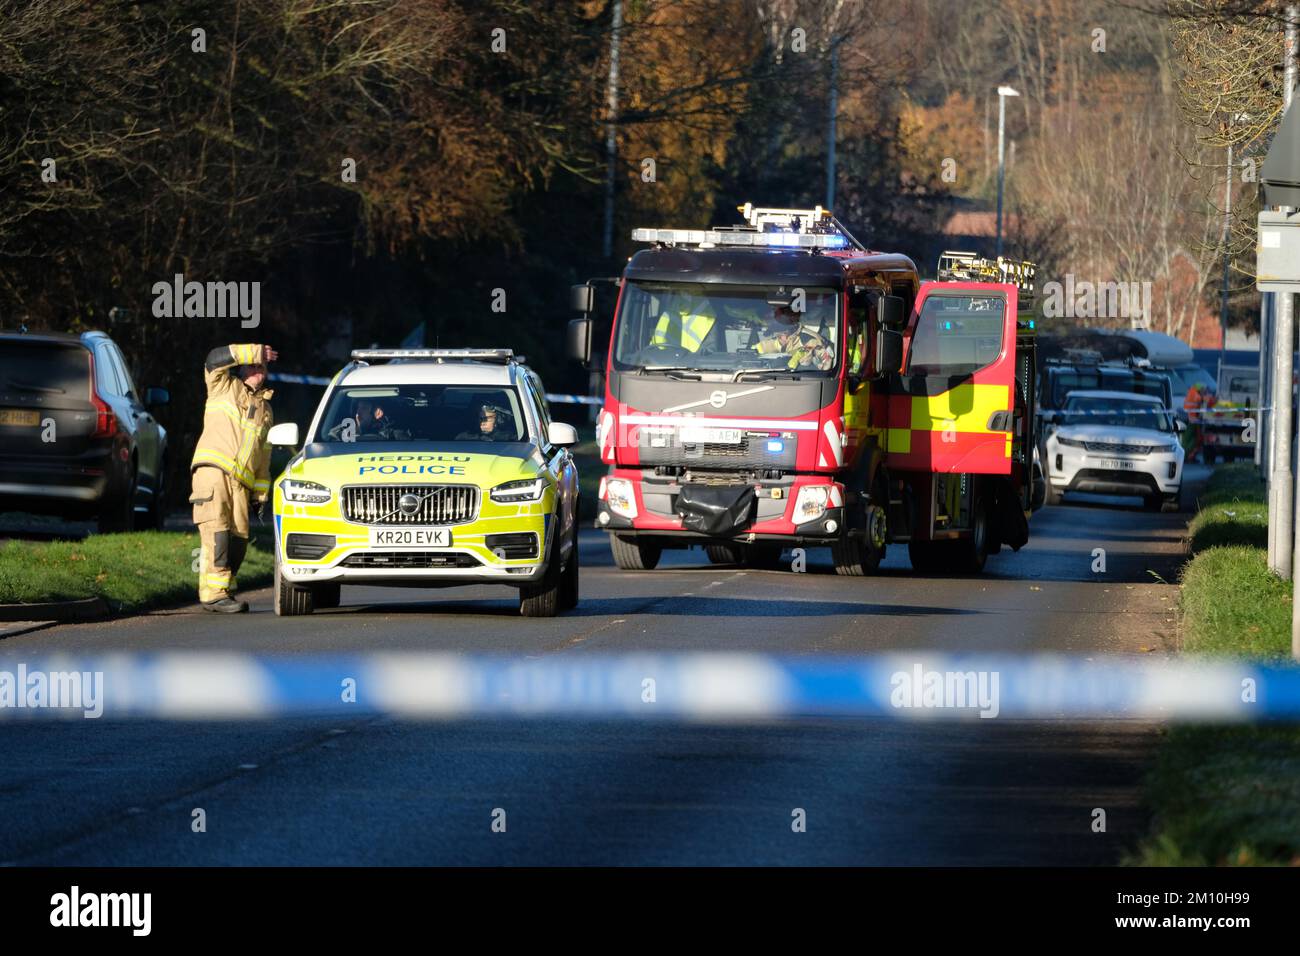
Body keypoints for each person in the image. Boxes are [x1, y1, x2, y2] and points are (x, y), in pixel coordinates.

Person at [189, 344, 276, 613]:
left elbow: (264, 457)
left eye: (261, 365)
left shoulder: (266, 410)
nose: (257, 368)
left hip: (241, 485)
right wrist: (255, 351)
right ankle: (212, 595)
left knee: (238, 542)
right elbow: (213, 358)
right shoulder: (222, 385)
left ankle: (223, 589)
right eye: (252, 364)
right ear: (241, 368)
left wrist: (260, 495)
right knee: (217, 533)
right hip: (213, 472)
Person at [756, 304, 835, 370]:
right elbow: (760, 349)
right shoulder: (776, 341)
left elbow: (824, 359)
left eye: (781, 335)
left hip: (803, 375)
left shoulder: (806, 338)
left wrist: (802, 355)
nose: (779, 337)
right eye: (778, 335)